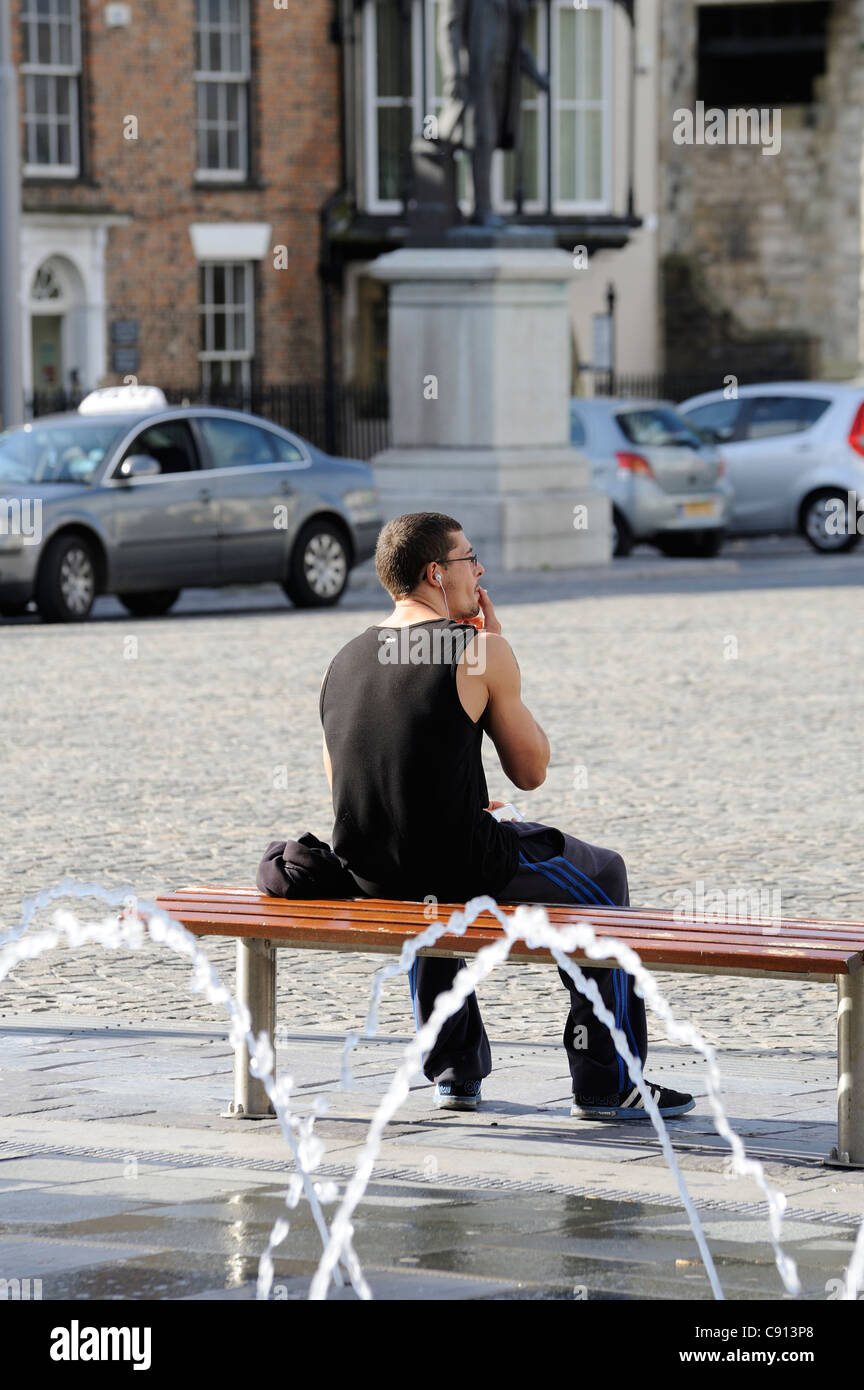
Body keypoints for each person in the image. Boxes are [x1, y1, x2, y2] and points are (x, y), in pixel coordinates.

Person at [317, 512, 695, 1120]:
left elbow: (349, 782)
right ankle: (609, 1080)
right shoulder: (476, 647)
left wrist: (453, 796)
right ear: (436, 573)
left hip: (372, 872)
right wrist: (499, 648)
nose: (480, 569)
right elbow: (532, 771)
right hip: (461, 865)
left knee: (423, 888)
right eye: (469, 558)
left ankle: (455, 1070)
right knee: (603, 876)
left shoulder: (345, 658)